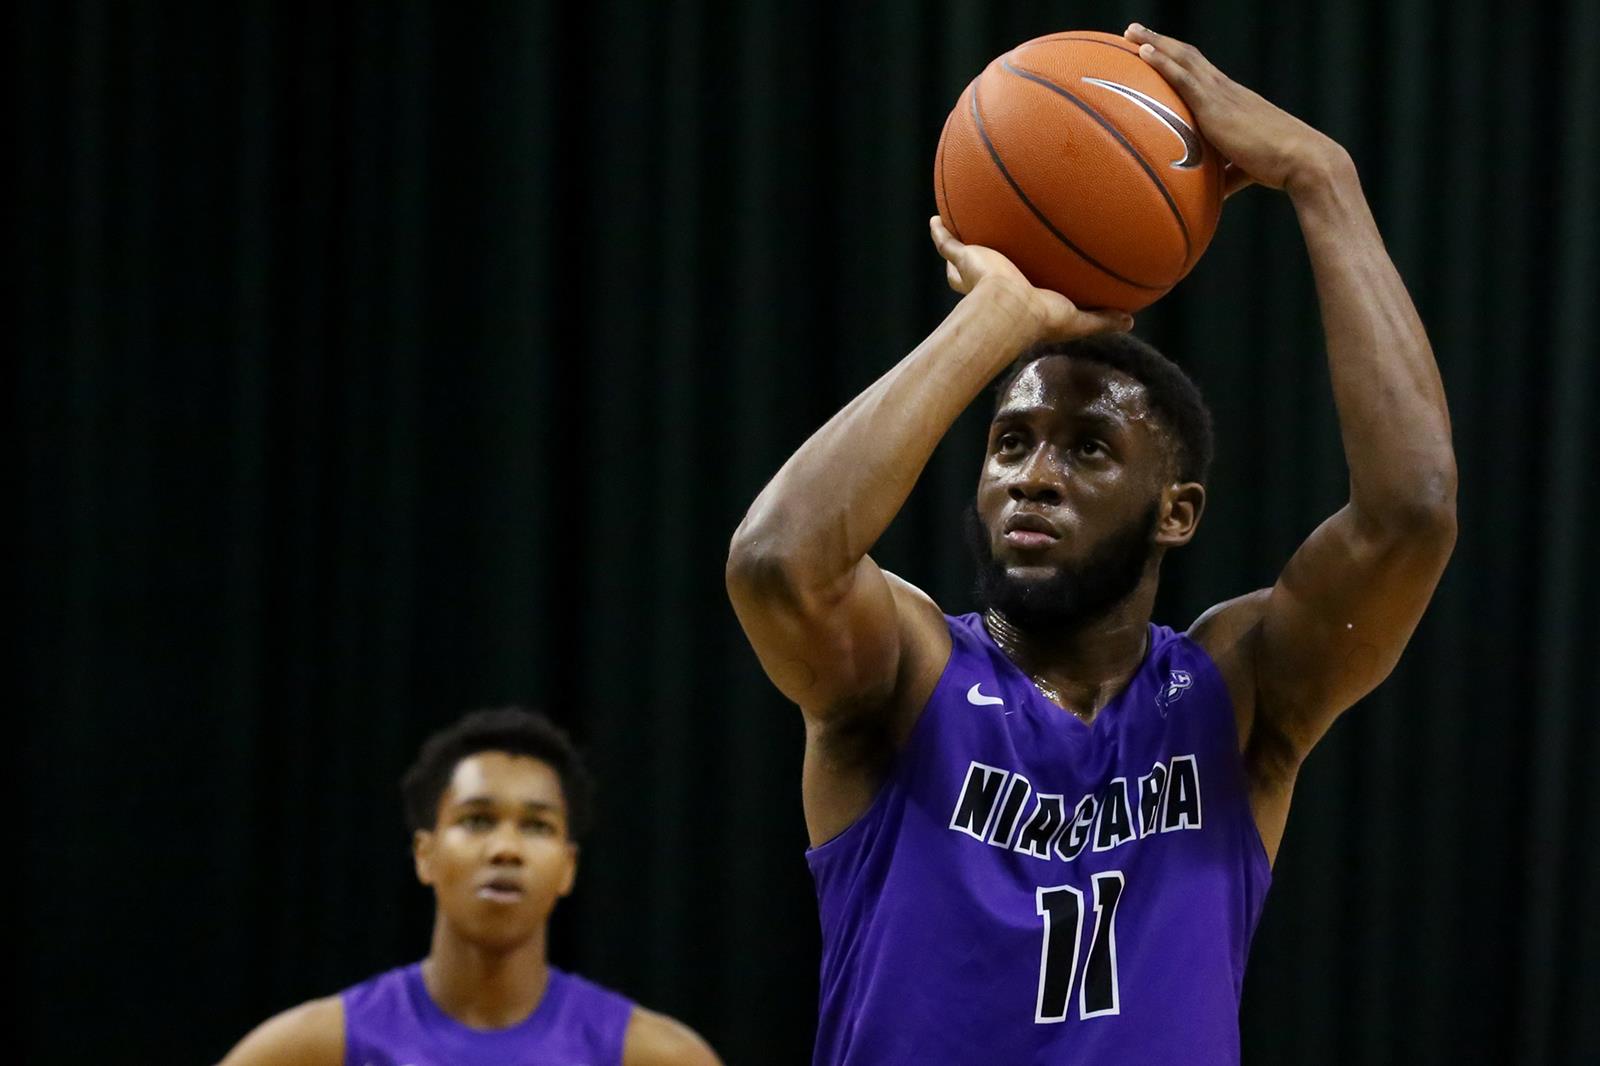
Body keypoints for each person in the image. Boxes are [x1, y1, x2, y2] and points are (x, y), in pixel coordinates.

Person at [726, 22, 1456, 1066]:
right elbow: (772, 562)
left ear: (1177, 511)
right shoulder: (905, 672)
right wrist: (999, 323)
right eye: (1010, 442)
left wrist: (1320, 175)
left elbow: (1413, 512)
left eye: (1088, 448)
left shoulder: (1236, 696)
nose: (1033, 473)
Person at [219, 707, 720, 1066]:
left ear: (568, 868)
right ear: (425, 854)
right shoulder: (313, 1047)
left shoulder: (653, 1054)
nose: (506, 848)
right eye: (477, 820)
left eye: (537, 826)